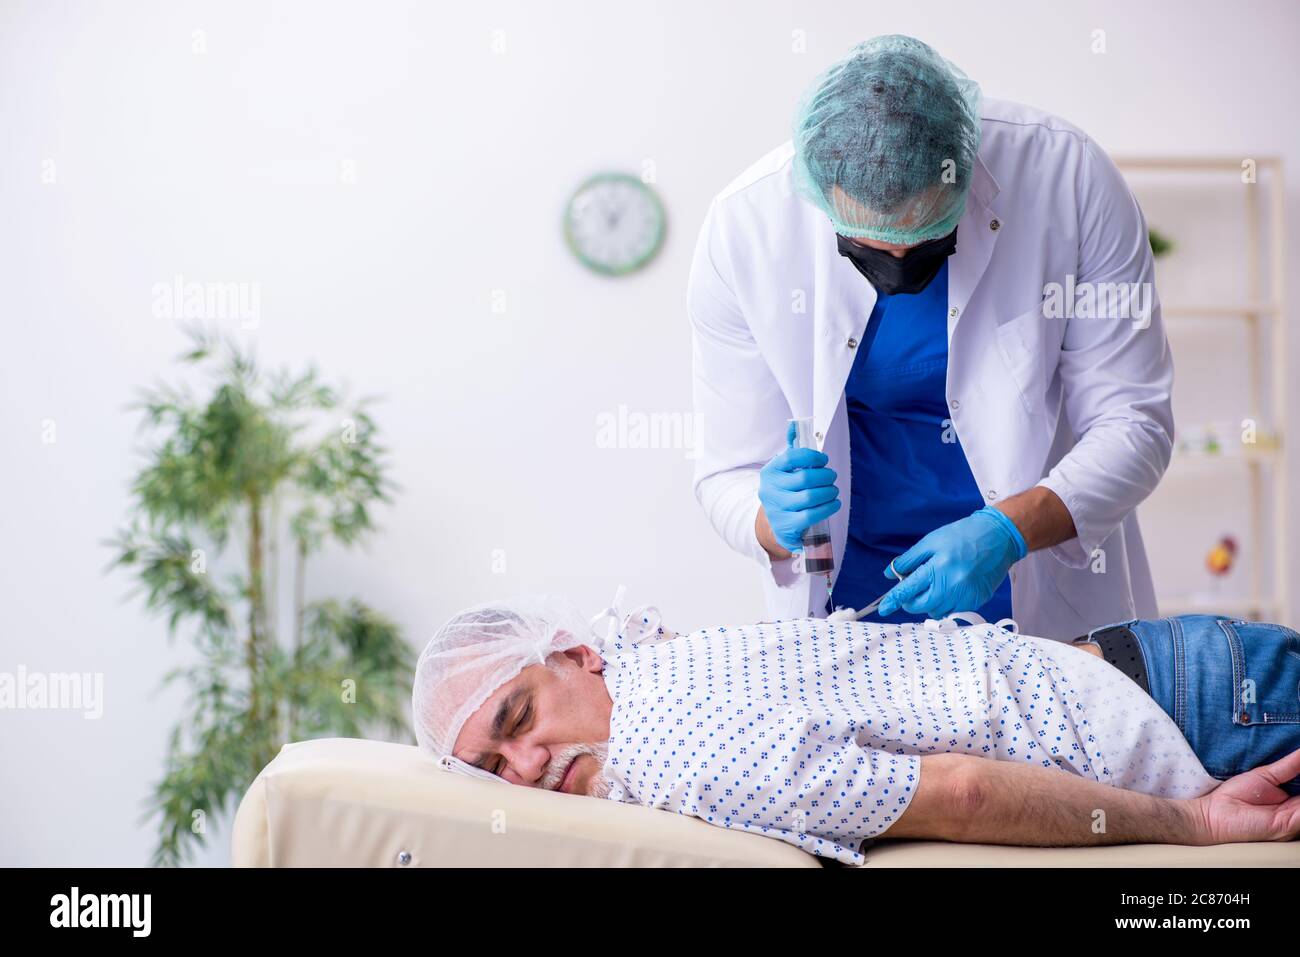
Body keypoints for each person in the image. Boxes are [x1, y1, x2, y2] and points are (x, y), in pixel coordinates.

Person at [689, 35, 1174, 640]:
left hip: (1033, 578)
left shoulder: (1068, 177)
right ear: (819, 194)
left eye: (926, 242)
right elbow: (725, 473)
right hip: (855, 607)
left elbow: (1135, 423)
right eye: (867, 248)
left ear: (966, 173)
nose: (898, 265)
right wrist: (772, 520)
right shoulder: (746, 229)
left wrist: (1010, 531)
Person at [412, 596, 1300, 864]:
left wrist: (1196, 824)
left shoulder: (671, 753)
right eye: (493, 766)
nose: (527, 764)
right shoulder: (651, 662)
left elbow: (965, 791)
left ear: (573, 656)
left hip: (1194, 717)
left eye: (518, 716)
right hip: (1174, 665)